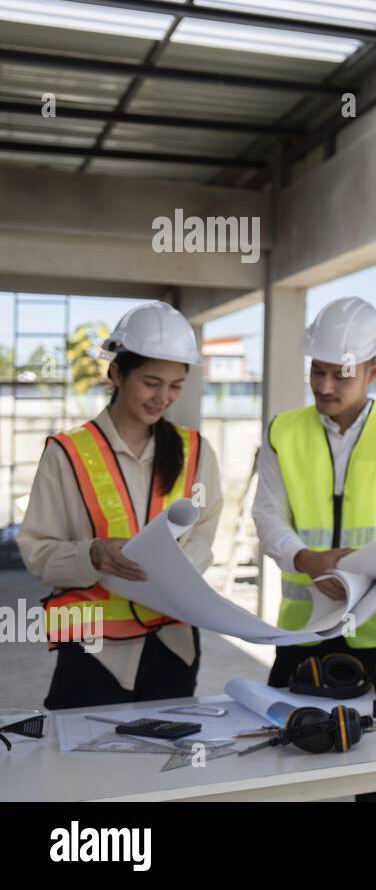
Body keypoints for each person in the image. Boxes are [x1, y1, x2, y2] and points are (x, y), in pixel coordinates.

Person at [253, 296, 376, 801]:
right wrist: (306, 560)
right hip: (303, 633)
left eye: (341, 374)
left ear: (374, 370)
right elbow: (267, 514)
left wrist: (358, 586)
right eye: (317, 372)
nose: (325, 386)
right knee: (282, 766)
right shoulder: (282, 432)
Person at [19, 301, 222, 710]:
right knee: (84, 769)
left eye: (176, 385)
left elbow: (204, 535)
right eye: (151, 382)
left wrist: (180, 571)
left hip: (173, 645)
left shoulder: (195, 450)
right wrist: (92, 554)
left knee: (164, 766)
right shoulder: (67, 453)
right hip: (91, 648)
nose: (163, 397)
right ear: (116, 373)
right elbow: (38, 552)